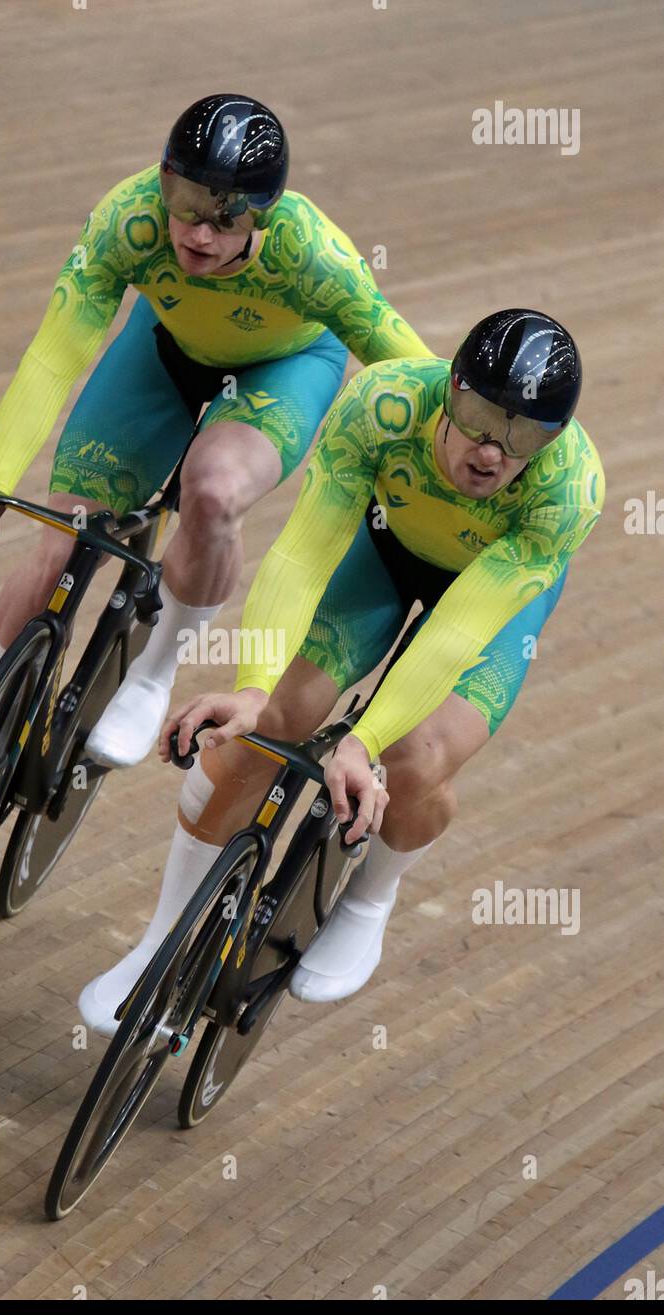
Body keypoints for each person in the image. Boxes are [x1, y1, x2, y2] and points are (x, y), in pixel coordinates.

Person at [79, 308, 604, 1033]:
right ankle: (158, 946)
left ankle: (368, 898)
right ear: (451, 390)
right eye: (481, 416)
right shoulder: (383, 405)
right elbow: (304, 554)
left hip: (489, 603)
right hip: (384, 556)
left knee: (415, 757)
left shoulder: (567, 487)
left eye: (525, 435)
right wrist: (253, 686)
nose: (494, 450)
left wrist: (365, 741)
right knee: (262, 733)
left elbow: (459, 631)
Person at [0, 93, 432, 772]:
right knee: (63, 535)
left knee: (214, 492)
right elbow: (56, 354)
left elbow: (420, 380)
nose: (200, 233)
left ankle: (152, 672)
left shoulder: (315, 256)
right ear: (163, 181)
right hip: (165, 349)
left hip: (281, 369)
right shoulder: (130, 218)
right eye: (186, 203)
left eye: (227, 217)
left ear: (265, 213)